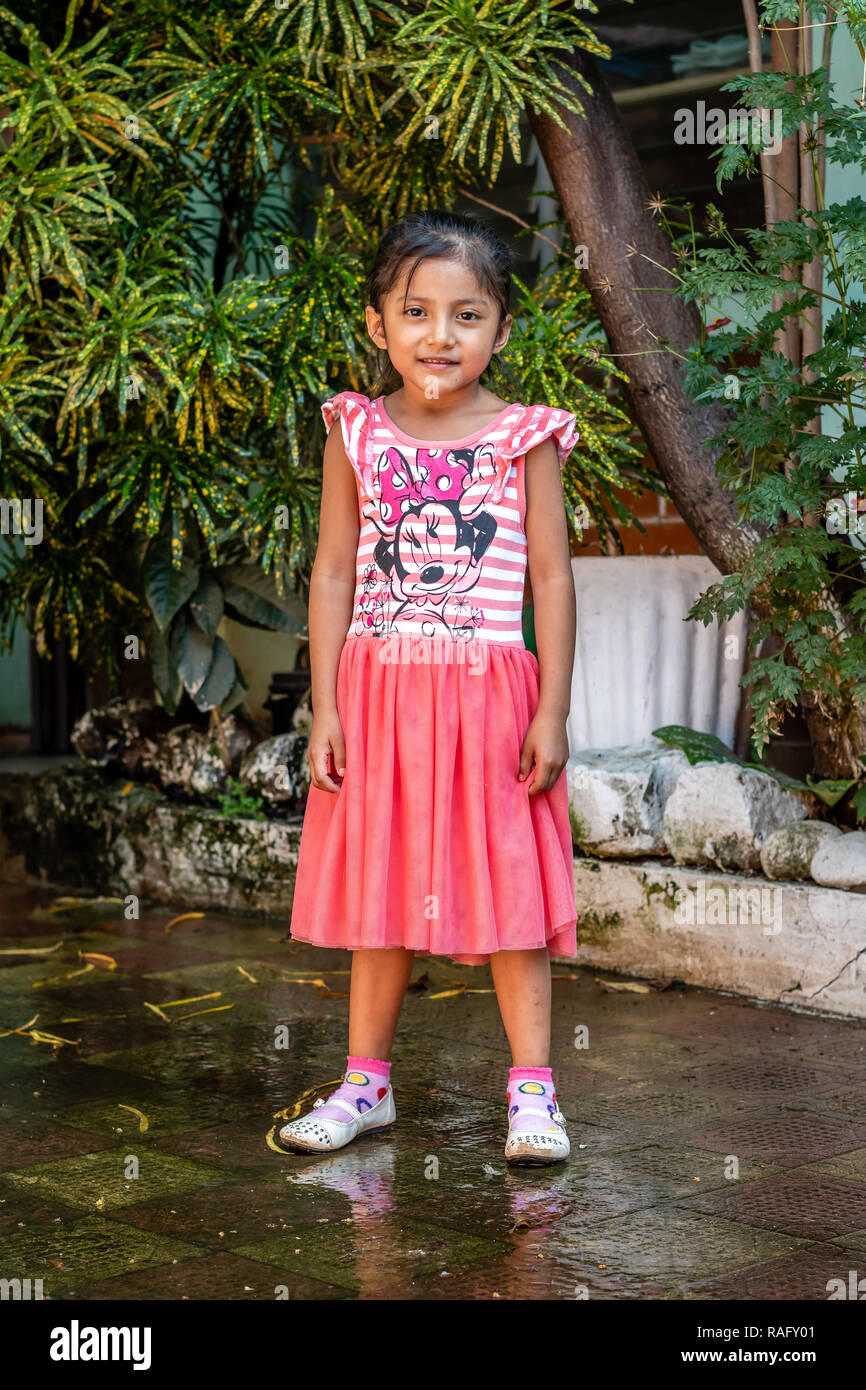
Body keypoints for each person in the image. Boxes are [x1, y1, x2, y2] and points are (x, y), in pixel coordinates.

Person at [280, 210, 578, 1166]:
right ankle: (366, 1087)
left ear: (500, 329)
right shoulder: (354, 429)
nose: (440, 337)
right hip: (377, 700)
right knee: (383, 892)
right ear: (378, 325)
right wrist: (326, 703)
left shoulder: (525, 435)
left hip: (489, 703)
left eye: (467, 315)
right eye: (416, 312)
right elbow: (332, 571)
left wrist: (553, 711)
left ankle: (533, 1093)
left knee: (510, 895)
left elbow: (552, 580)